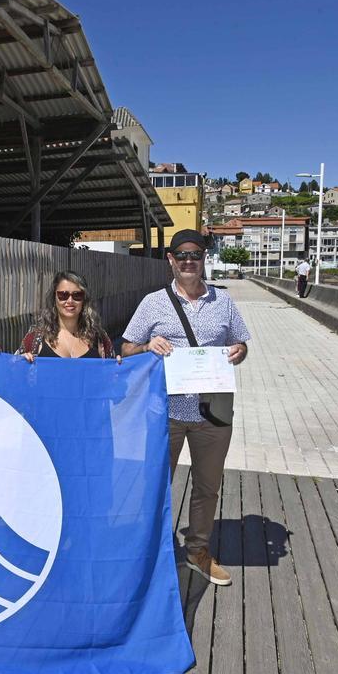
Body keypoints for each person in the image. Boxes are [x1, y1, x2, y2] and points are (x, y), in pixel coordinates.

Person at [121, 229, 251, 587]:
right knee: (156, 484)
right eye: (182, 255)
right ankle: (151, 552)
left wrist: (239, 351)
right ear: (171, 260)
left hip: (214, 411)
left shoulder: (223, 302)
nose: (189, 260)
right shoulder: (153, 303)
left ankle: (198, 551)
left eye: (195, 254)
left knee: (208, 486)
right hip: (166, 411)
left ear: (204, 258)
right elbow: (126, 348)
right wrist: (149, 345)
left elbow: (240, 343)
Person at [19, 270, 117, 361]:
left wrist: (119, 366)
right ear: (54, 298)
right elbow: (12, 373)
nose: (70, 301)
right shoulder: (34, 340)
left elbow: (113, 376)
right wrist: (19, 363)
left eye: (77, 295)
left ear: (84, 300)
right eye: (63, 295)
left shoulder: (100, 339)